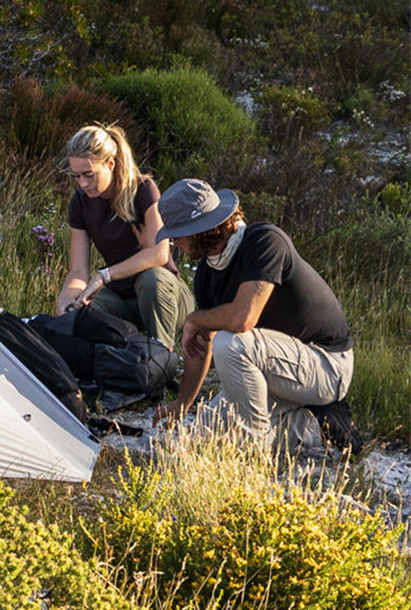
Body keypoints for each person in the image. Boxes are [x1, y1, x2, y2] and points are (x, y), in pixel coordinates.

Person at [152, 178, 358, 453]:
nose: (174, 243)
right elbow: (202, 345)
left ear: (200, 230)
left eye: (177, 233)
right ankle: (322, 427)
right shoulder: (205, 275)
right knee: (201, 438)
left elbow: (242, 318)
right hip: (276, 366)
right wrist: (183, 403)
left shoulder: (264, 241)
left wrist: (195, 319)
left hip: (327, 365)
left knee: (230, 343)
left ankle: (255, 450)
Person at [56, 123, 193, 348]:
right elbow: (78, 271)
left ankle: (161, 360)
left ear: (110, 164)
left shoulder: (143, 190)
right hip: (121, 300)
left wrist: (104, 275)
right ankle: (109, 369)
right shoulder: (80, 202)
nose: (83, 184)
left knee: (151, 279)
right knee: (83, 311)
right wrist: (68, 298)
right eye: (77, 176)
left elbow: (159, 253)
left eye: (89, 175)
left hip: (165, 296)